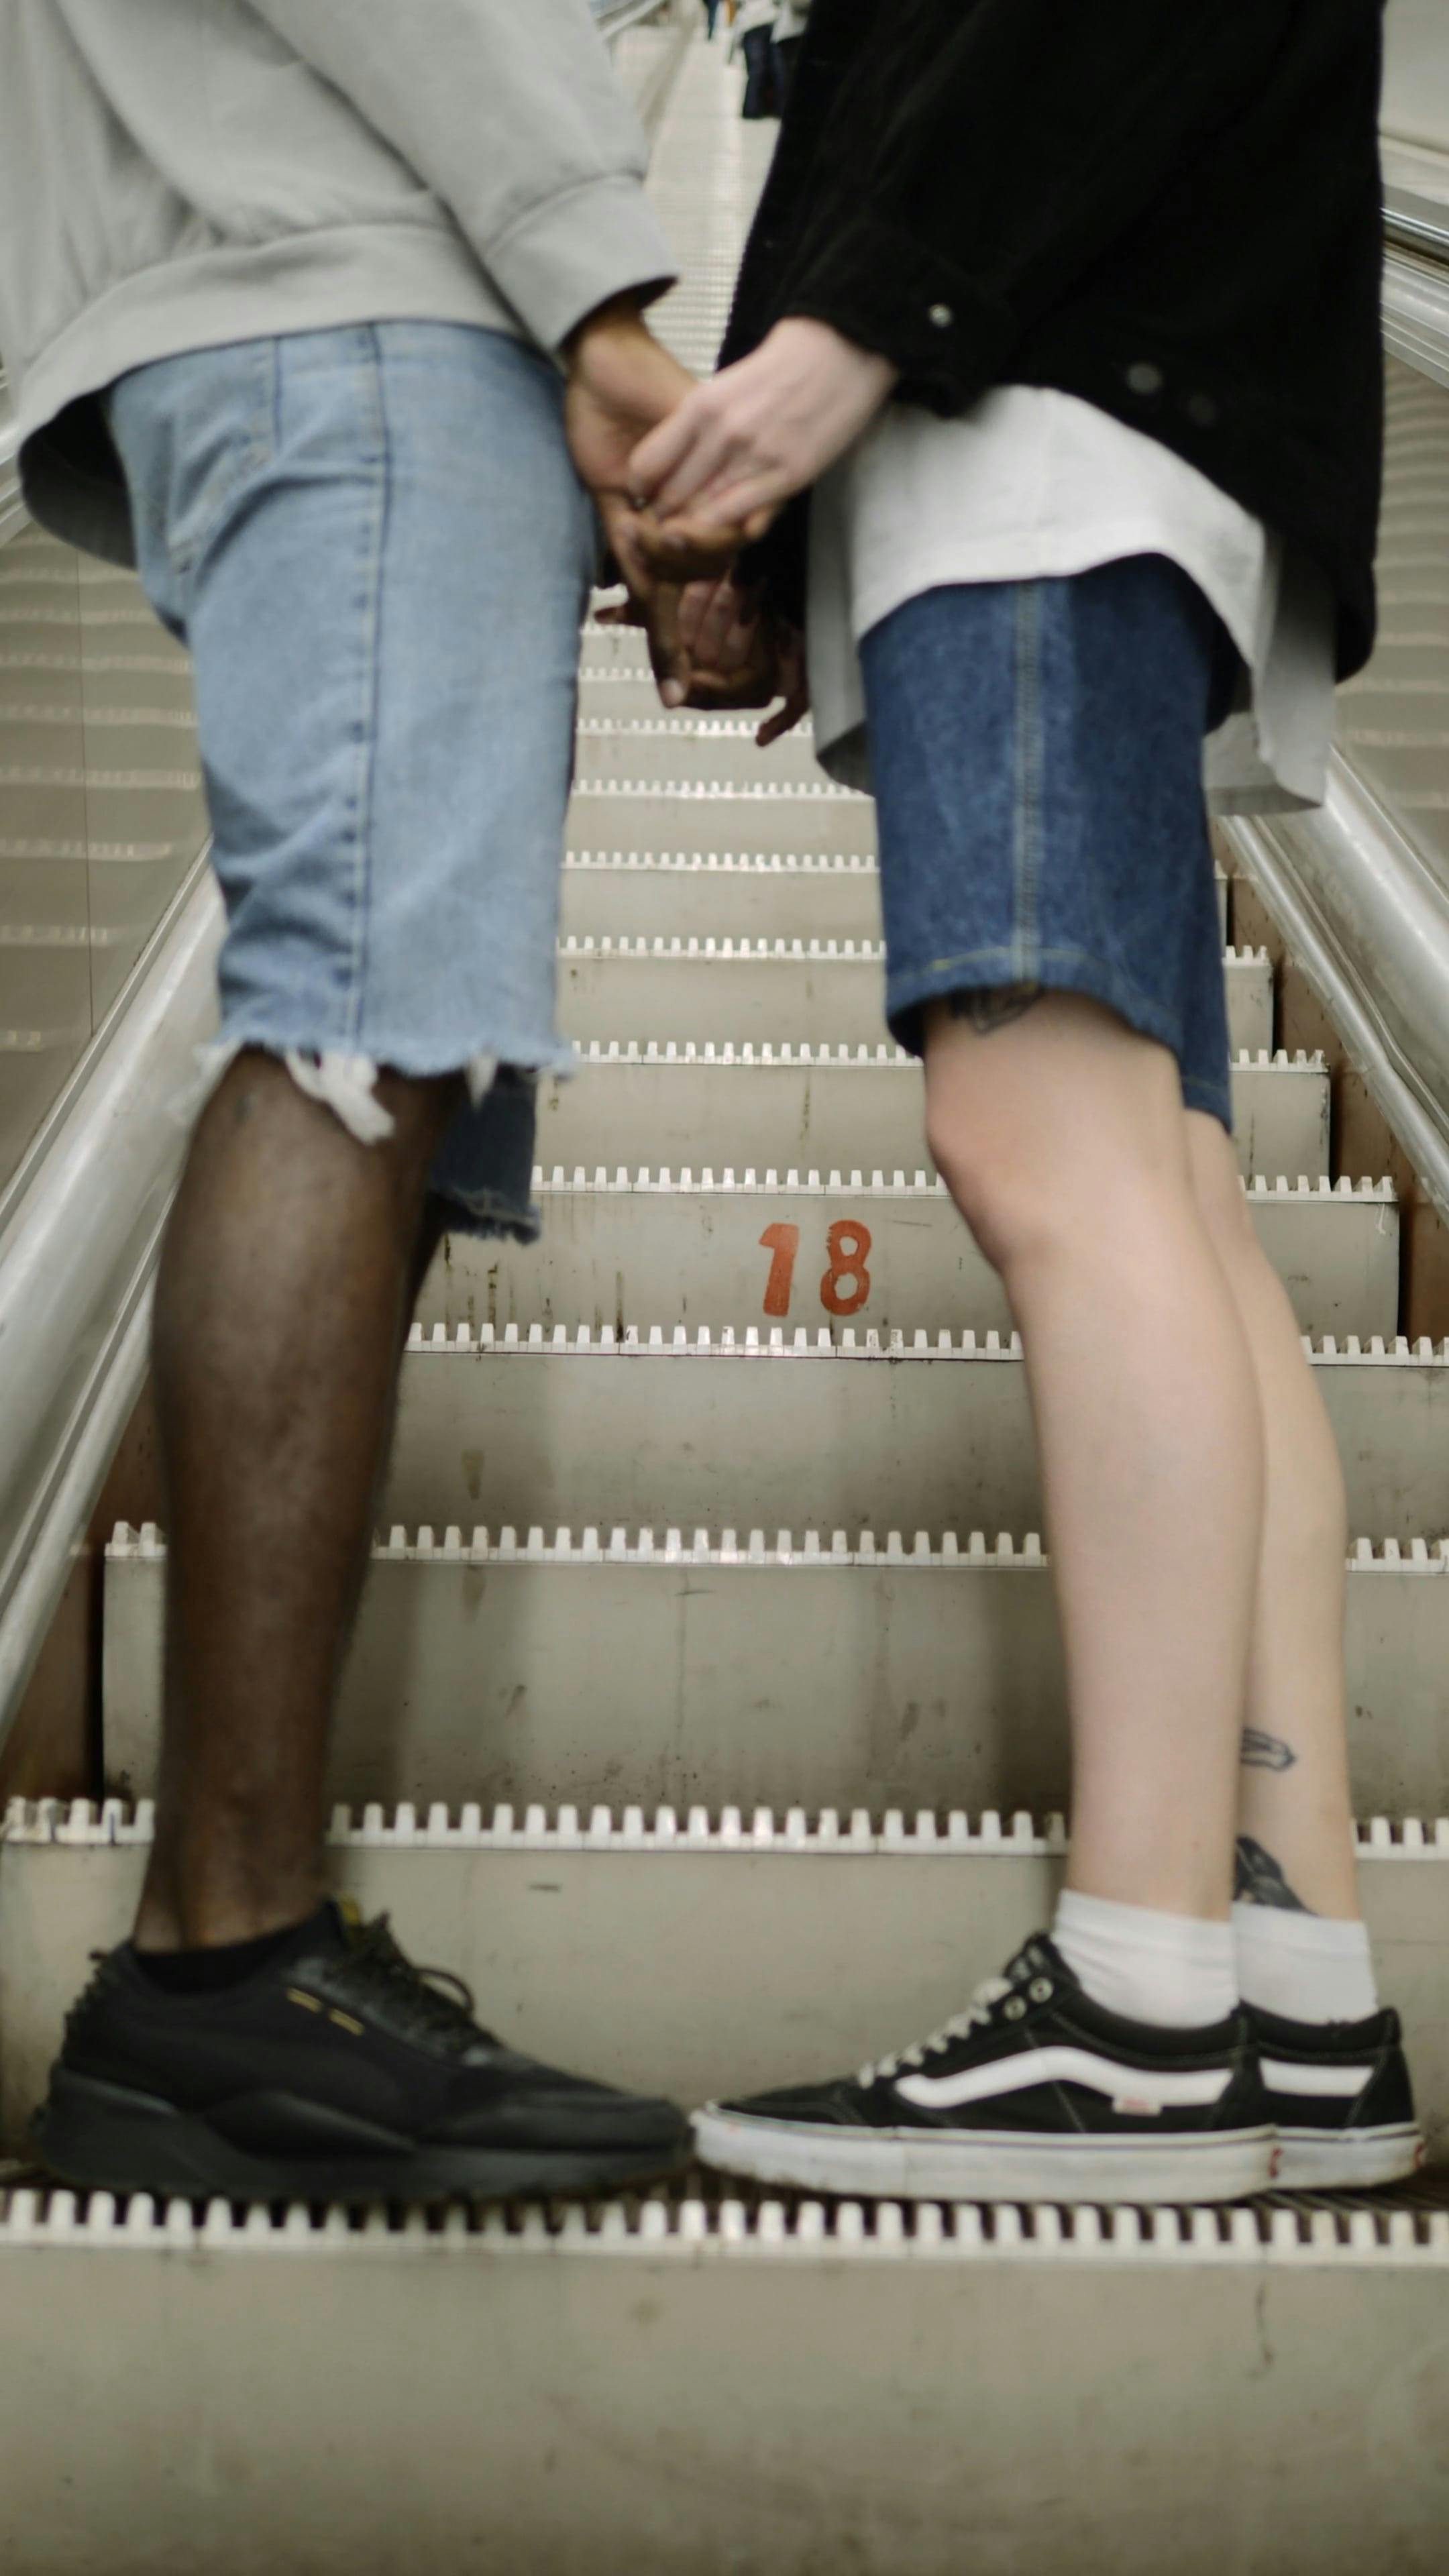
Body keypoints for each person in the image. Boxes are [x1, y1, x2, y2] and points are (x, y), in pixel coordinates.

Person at [632, 0, 1424, 2202]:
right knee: (1168, 1174)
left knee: (1051, 1150)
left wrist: (846, 339)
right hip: (1110, 401)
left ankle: (1139, 2001)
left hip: (1034, 415)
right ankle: (1290, 1962)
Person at [0, 0, 741, 2207]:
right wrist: (599, 308)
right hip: (354, 280)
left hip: (283, 270)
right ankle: (223, 1964)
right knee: (355, 1023)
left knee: (391, 1038)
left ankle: (237, 1939)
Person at [733, 0, 783, 119]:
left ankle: (756, 109)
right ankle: (755, 109)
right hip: (758, 21)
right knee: (763, 70)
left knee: (764, 70)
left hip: (762, 21)